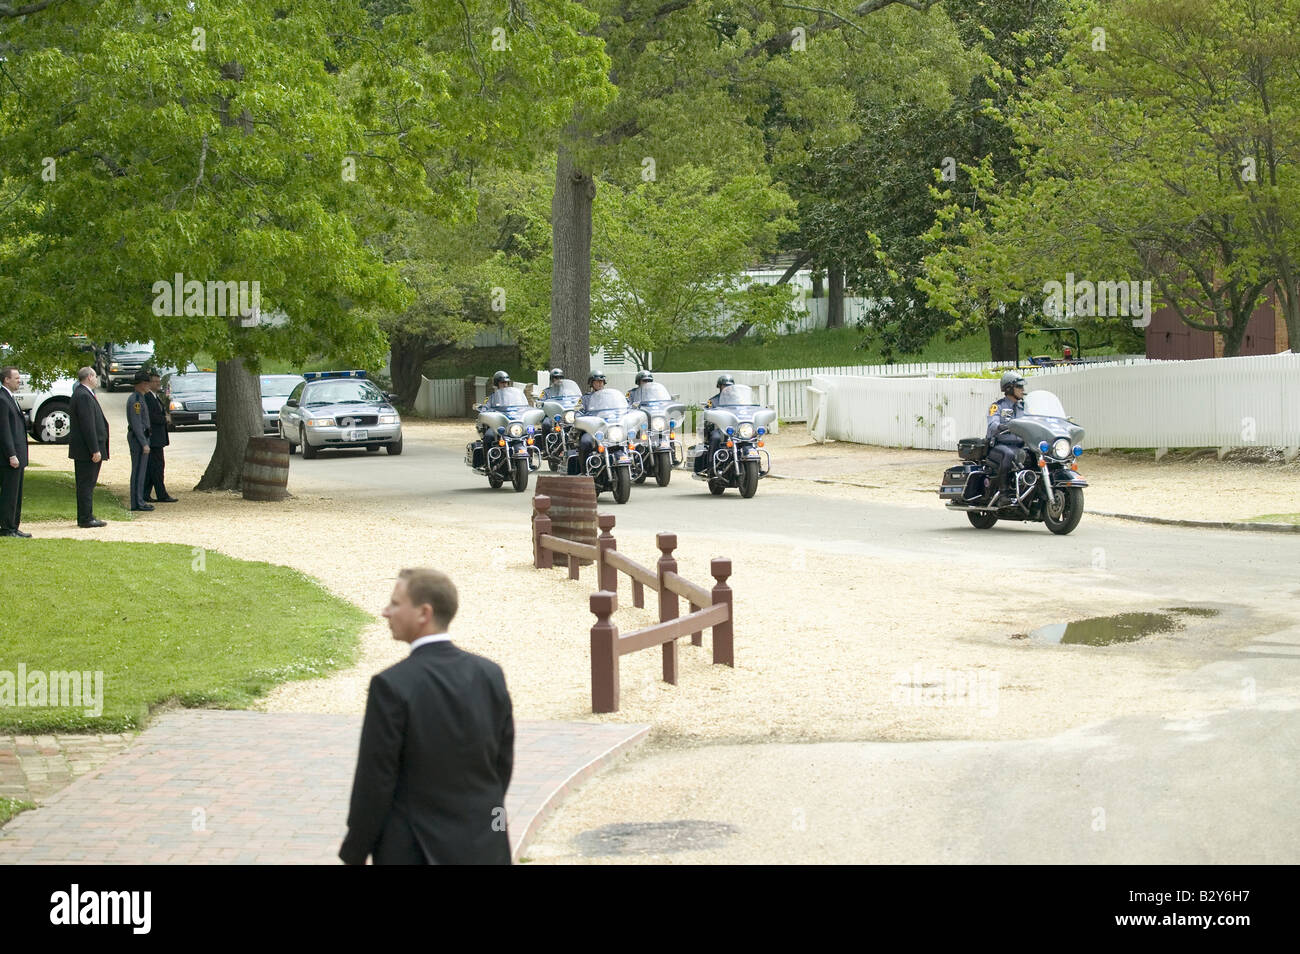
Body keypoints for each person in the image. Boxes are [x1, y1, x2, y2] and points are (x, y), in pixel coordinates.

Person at [340, 568, 514, 865]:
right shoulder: (489, 675)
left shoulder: (391, 685)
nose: (385, 612)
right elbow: (501, 765)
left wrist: (354, 851)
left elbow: (375, 780)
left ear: (424, 613)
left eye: (395, 603)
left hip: (414, 850)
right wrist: (494, 828)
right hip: (485, 844)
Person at [67, 366, 109, 528]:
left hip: (88, 449)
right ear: (90, 377)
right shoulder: (83, 395)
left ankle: (87, 514)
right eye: (95, 376)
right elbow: (87, 425)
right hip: (87, 451)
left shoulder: (85, 393)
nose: (97, 379)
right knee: (86, 484)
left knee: (88, 483)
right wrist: (94, 449)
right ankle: (85, 518)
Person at [985, 371, 1027, 506]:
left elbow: (1034, 421)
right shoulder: (997, 406)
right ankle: (1003, 494)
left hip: (1019, 445)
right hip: (999, 445)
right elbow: (992, 424)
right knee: (1008, 455)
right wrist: (1001, 426)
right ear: (1009, 388)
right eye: (1019, 387)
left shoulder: (1024, 407)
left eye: (1022, 387)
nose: (1022, 390)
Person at [0, 366, 30, 538]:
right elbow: (4, 430)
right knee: (9, 494)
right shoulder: (2, 399)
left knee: (17, 494)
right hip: (9, 457)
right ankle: (6, 527)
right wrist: (11, 454)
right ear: (6, 380)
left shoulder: (10, 397)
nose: (20, 380)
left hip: (19, 453)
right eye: (17, 378)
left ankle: (14, 525)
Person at [142, 372, 177, 503]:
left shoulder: (155, 397)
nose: (158, 384)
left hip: (158, 438)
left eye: (158, 381)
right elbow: (150, 417)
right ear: (149, 383)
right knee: (156, 467)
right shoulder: (148, 398)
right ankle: (161, 494)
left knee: (154, 467)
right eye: (155, 382)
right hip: (154, 438)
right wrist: (164, 419)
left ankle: (146, 493)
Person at [695, 374, 734, 474]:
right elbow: (707, 414)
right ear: (720, 387)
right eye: (725, 386)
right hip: (719, 429)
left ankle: (756, 465)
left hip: (735, 430)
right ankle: (711, 466)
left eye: (729, 386)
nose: (727, 388)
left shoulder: (738, 400)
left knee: (751, 439)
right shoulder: (713, 401)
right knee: (716, 437)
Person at [126, 371, 153, 512]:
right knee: (138, 471)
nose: (148, 385)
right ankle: (137, 502)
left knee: (141, 471)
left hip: (141, 437)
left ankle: (139, 501)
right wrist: (144, 443)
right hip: (138, 438)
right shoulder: (136, 400)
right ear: (142, 384)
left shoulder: (140, 398)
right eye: (147, 383)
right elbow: (136, 423)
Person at [571, 372, 607, 475]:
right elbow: (578, 412)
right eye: (597, 382)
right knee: (585, 442)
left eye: (601, 382)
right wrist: (579, 417)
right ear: (591, 383)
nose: (600, 384)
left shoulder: (609, 397)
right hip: (592, 430)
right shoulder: (585, 399)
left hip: (608, 430)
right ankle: (584, 471)